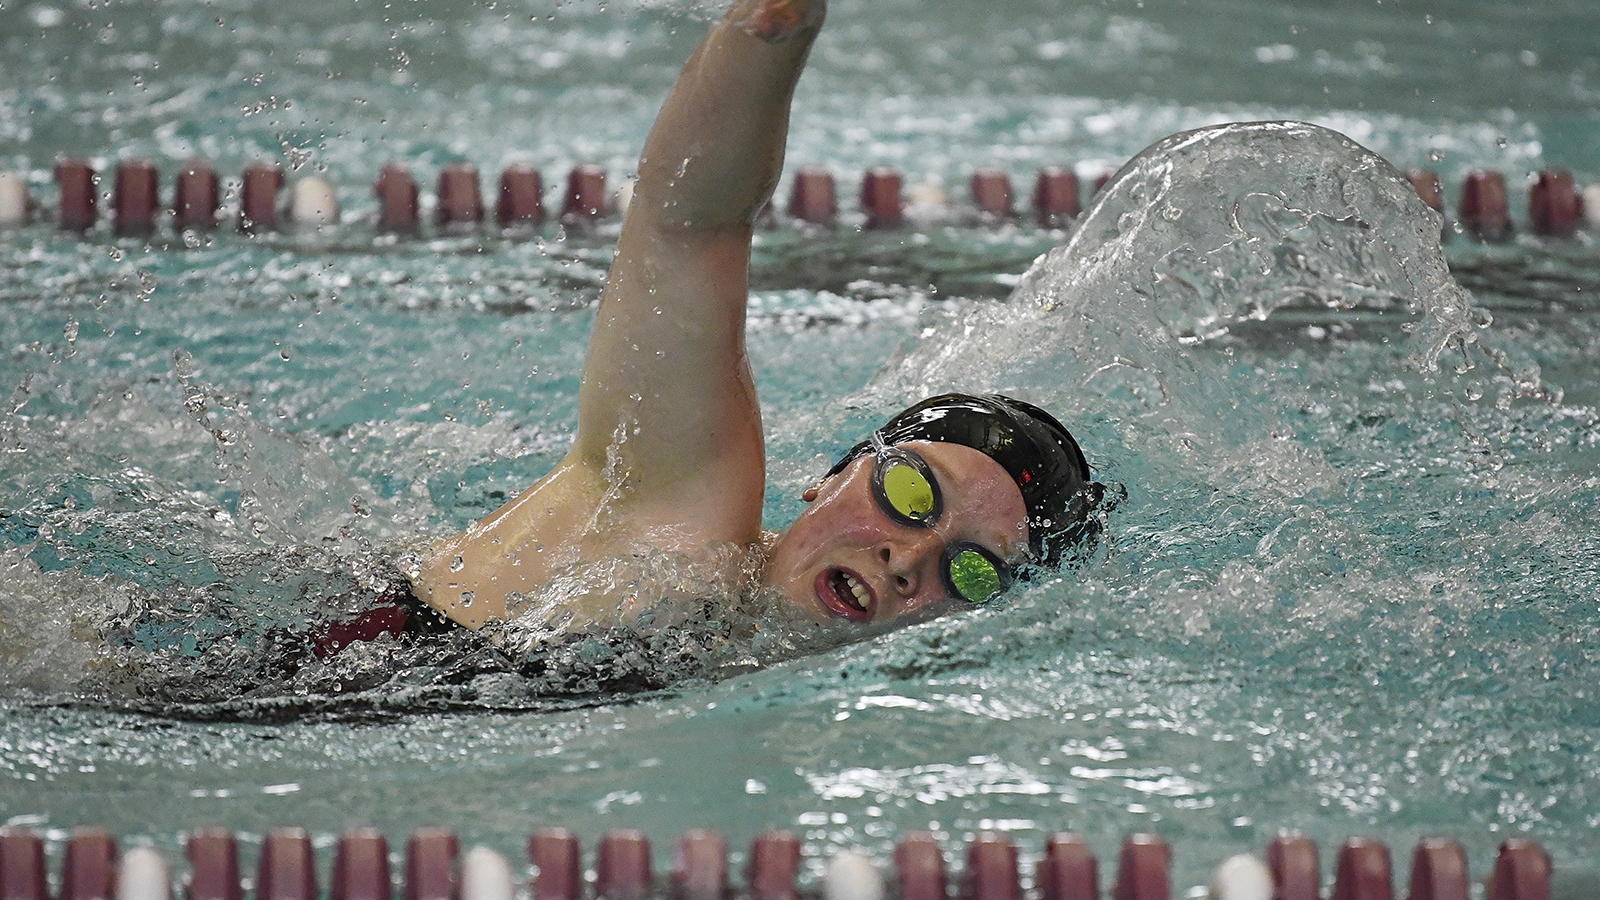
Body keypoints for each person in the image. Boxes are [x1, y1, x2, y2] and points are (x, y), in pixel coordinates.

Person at [399, 0, 1102, 641]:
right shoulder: (682, 521)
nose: (908, 558)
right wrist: (772, 38)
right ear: (829, 478)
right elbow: (690, 223)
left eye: (971, 572)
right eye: (910, 494)